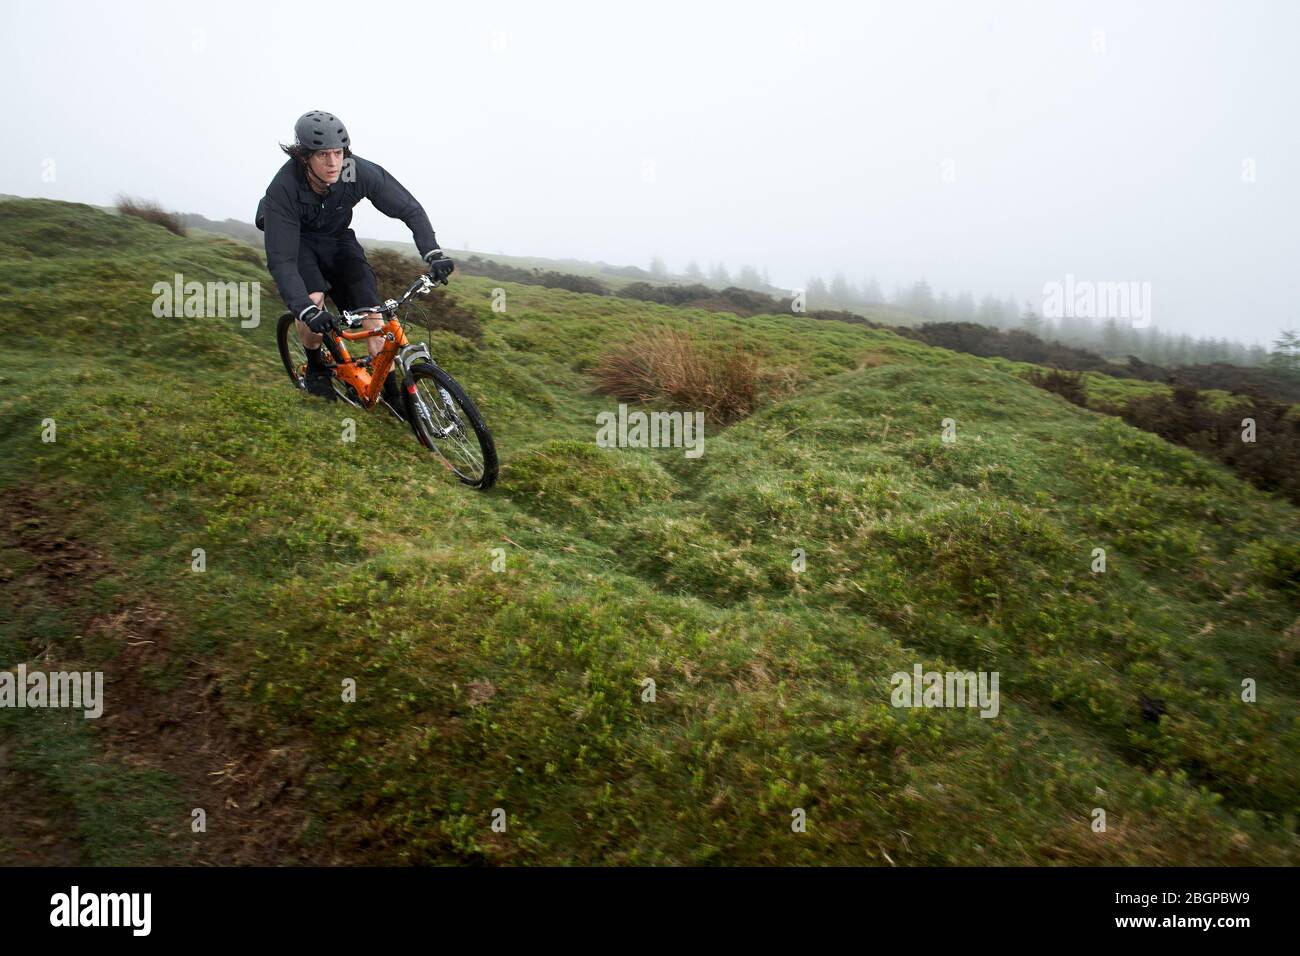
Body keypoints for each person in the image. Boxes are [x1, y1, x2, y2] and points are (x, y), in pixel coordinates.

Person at [256, 110, 453, 409]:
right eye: (323, 155)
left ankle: (387, 389)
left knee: (373, 312)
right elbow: (282, 260)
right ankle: (316, 367)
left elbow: (409, 209)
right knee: (313, 298)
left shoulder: (354, 171)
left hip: (338, 240)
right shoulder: (283, 189)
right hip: (299, 244)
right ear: (304, 156)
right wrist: (307, 310)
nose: (333, 163)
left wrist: (433, 252)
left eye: (338, 153)